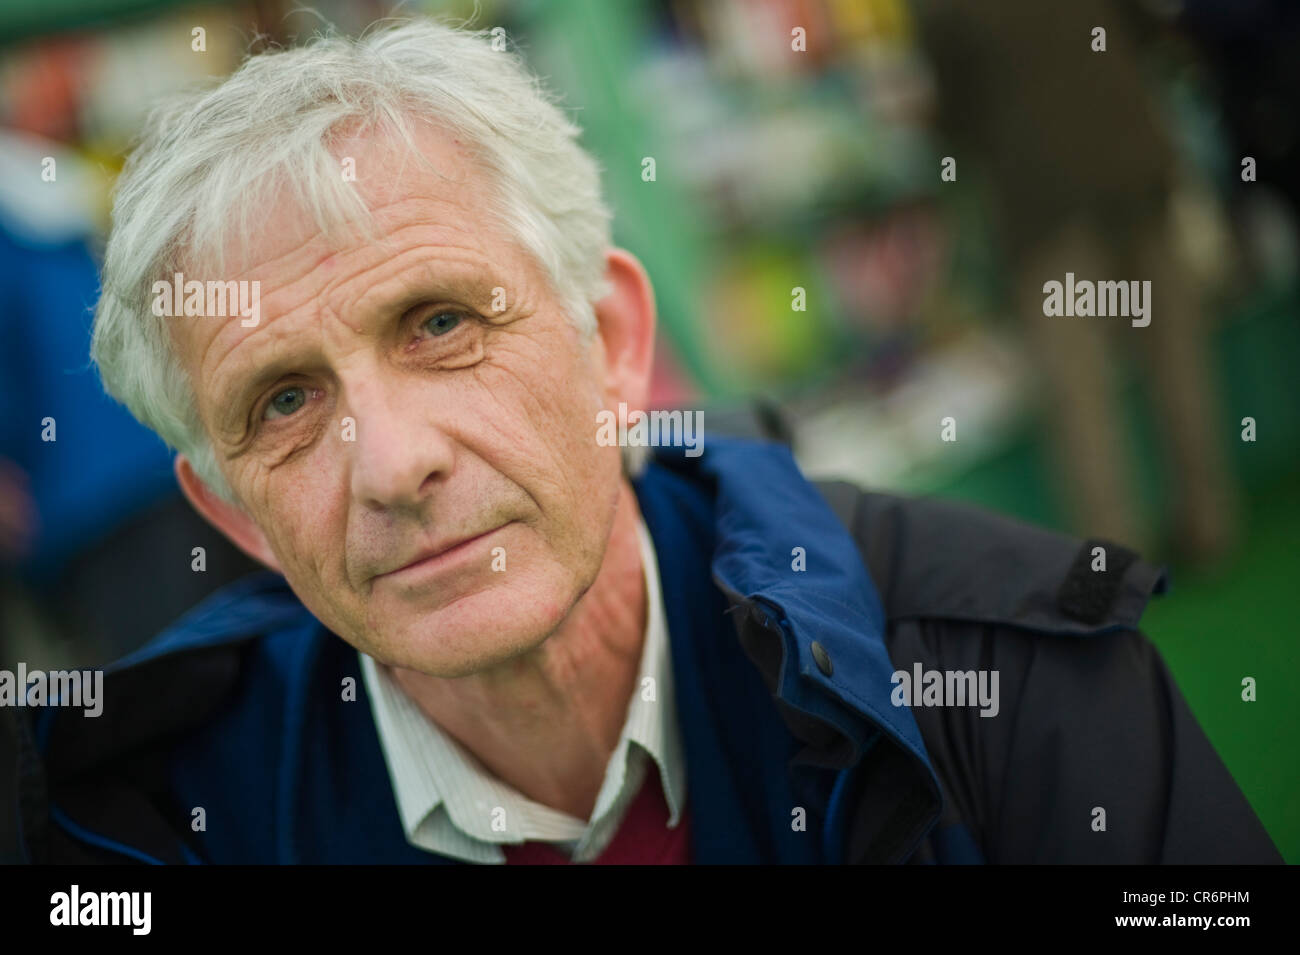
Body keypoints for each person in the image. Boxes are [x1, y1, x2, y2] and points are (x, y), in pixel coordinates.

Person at [17, 19, 1280, 864]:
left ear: (613, 342)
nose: (394, 464)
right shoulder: (143, 814)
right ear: (233, 514)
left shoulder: (992, 661)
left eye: (442, 321)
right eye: (282, 403)